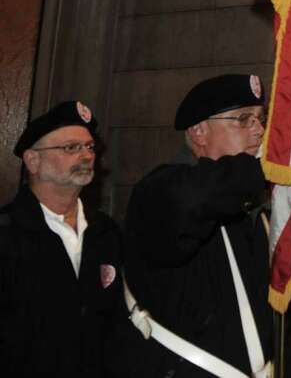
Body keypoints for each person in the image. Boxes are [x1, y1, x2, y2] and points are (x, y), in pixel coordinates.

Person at [123, 74, 273, 378]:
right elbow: (196, 198)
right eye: (243, 119)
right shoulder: (159, 191)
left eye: (260, 119)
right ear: (199, 131)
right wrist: (271, 167)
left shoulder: (251, 208)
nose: (259, 131)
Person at [0, 101, 126, 376]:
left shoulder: (106, 231)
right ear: (33, 160)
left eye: (90, 147)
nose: (86, 156)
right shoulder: (7, 233)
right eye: (71, 148)